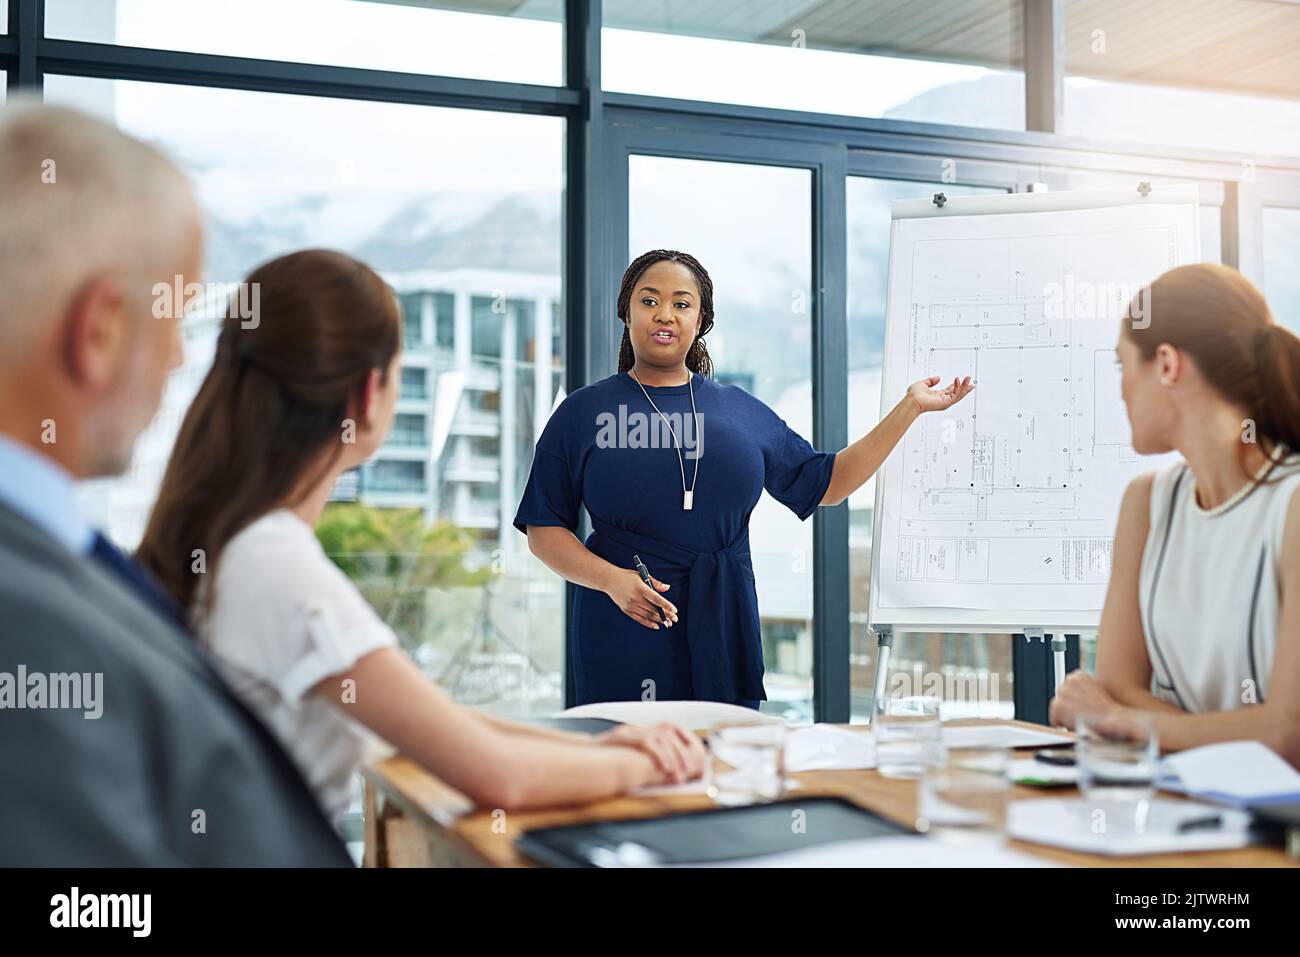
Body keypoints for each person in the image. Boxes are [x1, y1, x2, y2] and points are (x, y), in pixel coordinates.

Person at [136, 249, 706, 827]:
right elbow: (501, 774)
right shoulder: (275, 565)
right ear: (367, 395)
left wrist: (596, 751)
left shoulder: (237, 545)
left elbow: (435, 719)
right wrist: (653, 767)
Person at [0, 98, 351, 866]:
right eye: (175, 318)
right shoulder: (26, 625)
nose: (179, 359)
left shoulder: (61, 558)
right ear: (101, 331)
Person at [515, 249, 974, 707]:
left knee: (726, 758)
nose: (665, 315)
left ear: (701, 321)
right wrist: (611, 581)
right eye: (649, 301)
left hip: (723, 617)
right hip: (626, 619)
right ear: (626, 312)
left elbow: (829, 483)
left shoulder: (741, 411)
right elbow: (544, 529)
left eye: (682, 303)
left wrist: (910, 407)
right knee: (629, 766)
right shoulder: (583, 412)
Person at [1051, 263, 1300, 769]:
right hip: (1179, 804)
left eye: (1124, 366)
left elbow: (1286, 736)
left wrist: (1125, 721)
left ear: (1166, 364)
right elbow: (1116, 685)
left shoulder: (1291, 504)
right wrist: (1231, 732)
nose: (1121, 390)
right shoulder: (1146, 504)